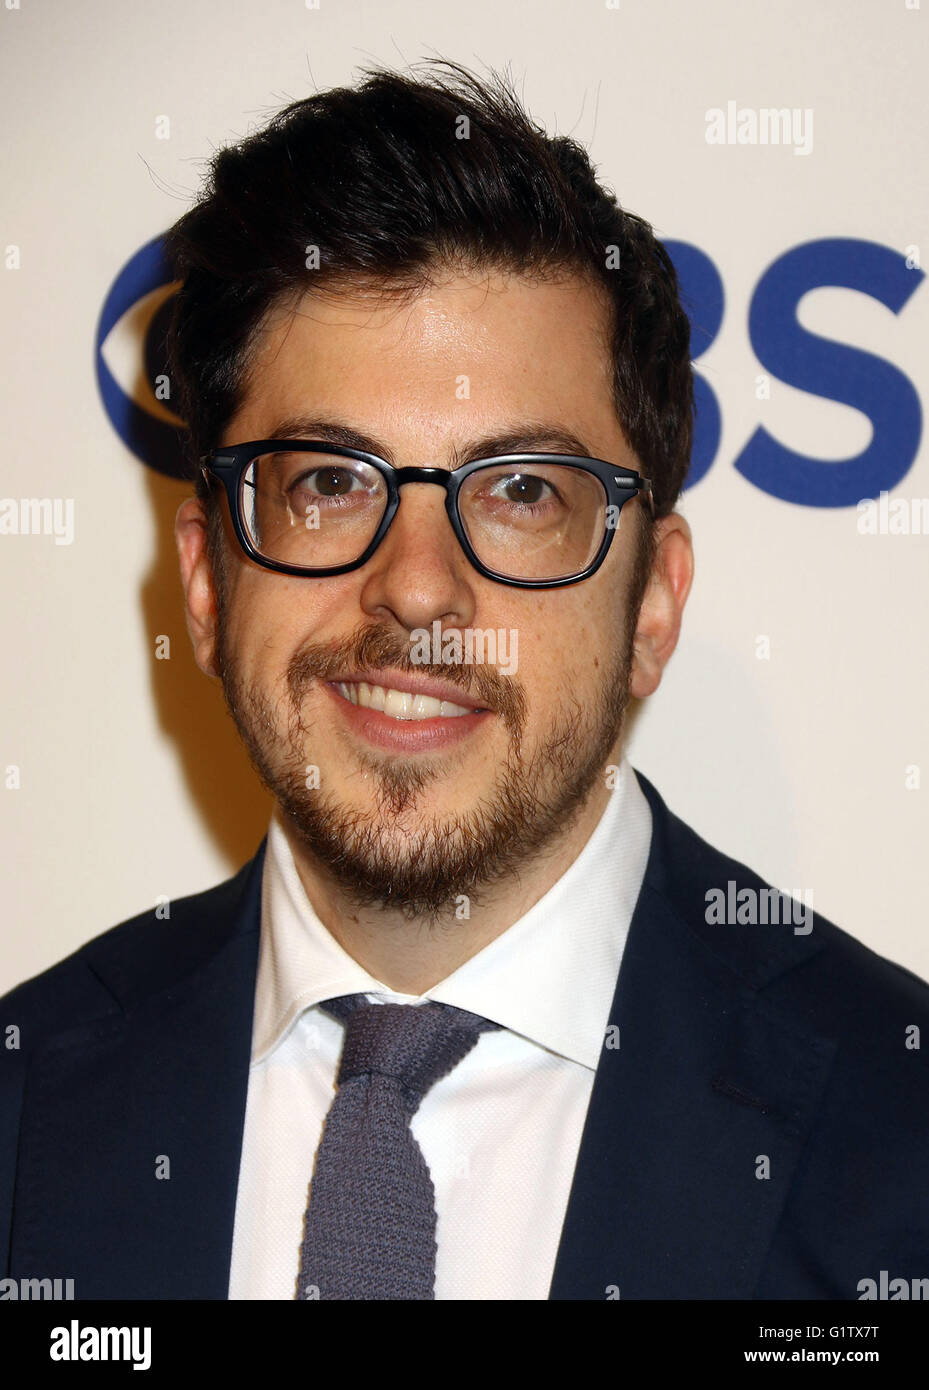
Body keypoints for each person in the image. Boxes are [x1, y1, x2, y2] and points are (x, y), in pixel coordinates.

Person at [2, 60, 927, 1302]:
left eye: (521, 492)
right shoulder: (25, 1107)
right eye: (327, 481)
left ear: (650, 602)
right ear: (209, 584)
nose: (419, 589)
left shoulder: (899, 1134)